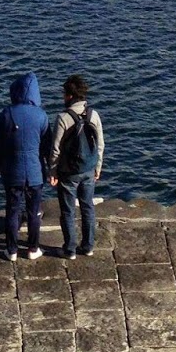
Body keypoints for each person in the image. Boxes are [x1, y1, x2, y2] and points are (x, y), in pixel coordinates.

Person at [0, 72, 51, 262]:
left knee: (12, 210)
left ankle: (12, 250)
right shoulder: (42, 116)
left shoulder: (7, 113)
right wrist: (51, 170)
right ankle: (33, 248)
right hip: (35, 172)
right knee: (34, 212)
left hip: (12, 171)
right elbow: (47, 147)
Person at [49, 74, 104, 260]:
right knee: (88, 207)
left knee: (68, 211)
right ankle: (88, 246)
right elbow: (100, 144)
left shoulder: (63, 118)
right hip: (88, 169)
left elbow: (55, 149)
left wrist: (53, 171)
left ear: (70, 96)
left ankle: (70, 249)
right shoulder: (93, 115)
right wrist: (98, 167)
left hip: (68, 172)